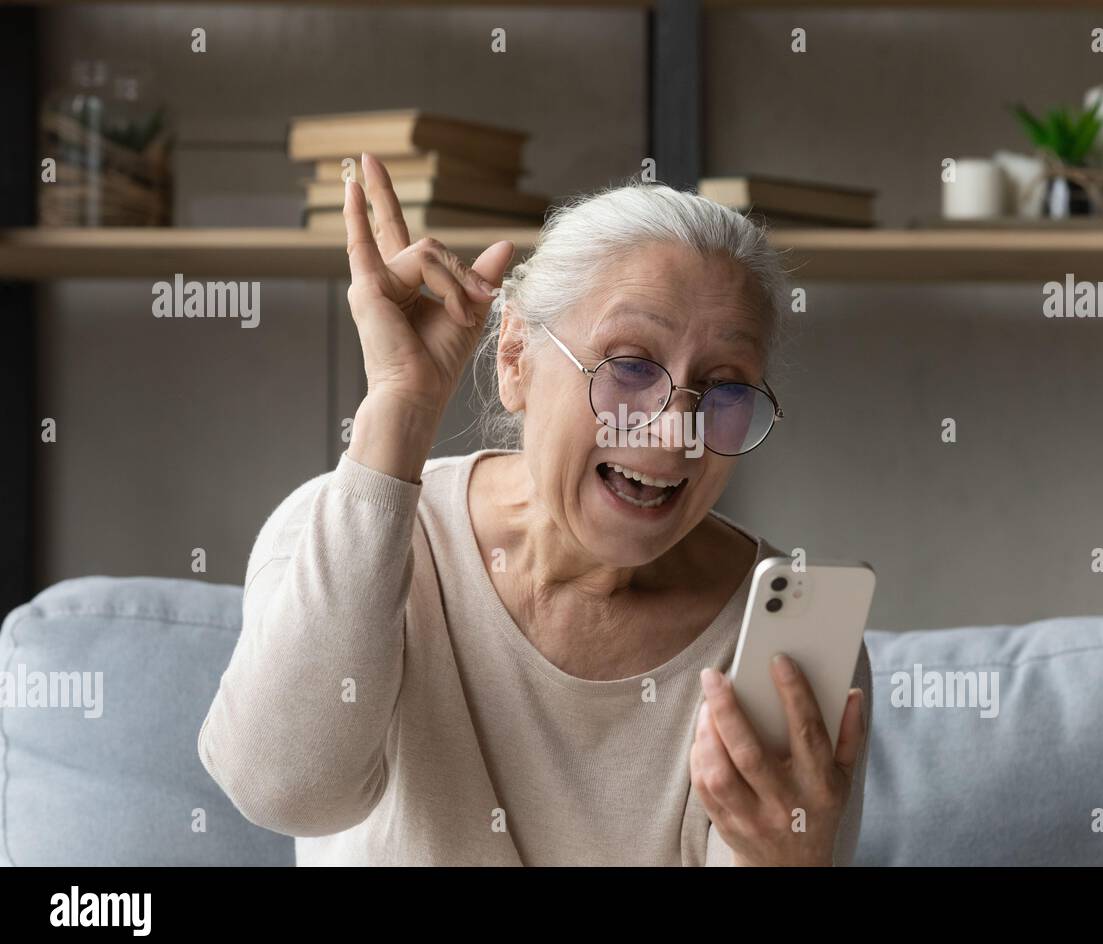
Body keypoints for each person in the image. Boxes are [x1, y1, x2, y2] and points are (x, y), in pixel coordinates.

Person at [199, 154, 872, 865]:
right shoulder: (349, 532)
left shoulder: (790, 639)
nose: (678, 427)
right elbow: (285, 794)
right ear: (516, 355)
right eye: (632, 366)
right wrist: (399, 405)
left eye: (725, 388)